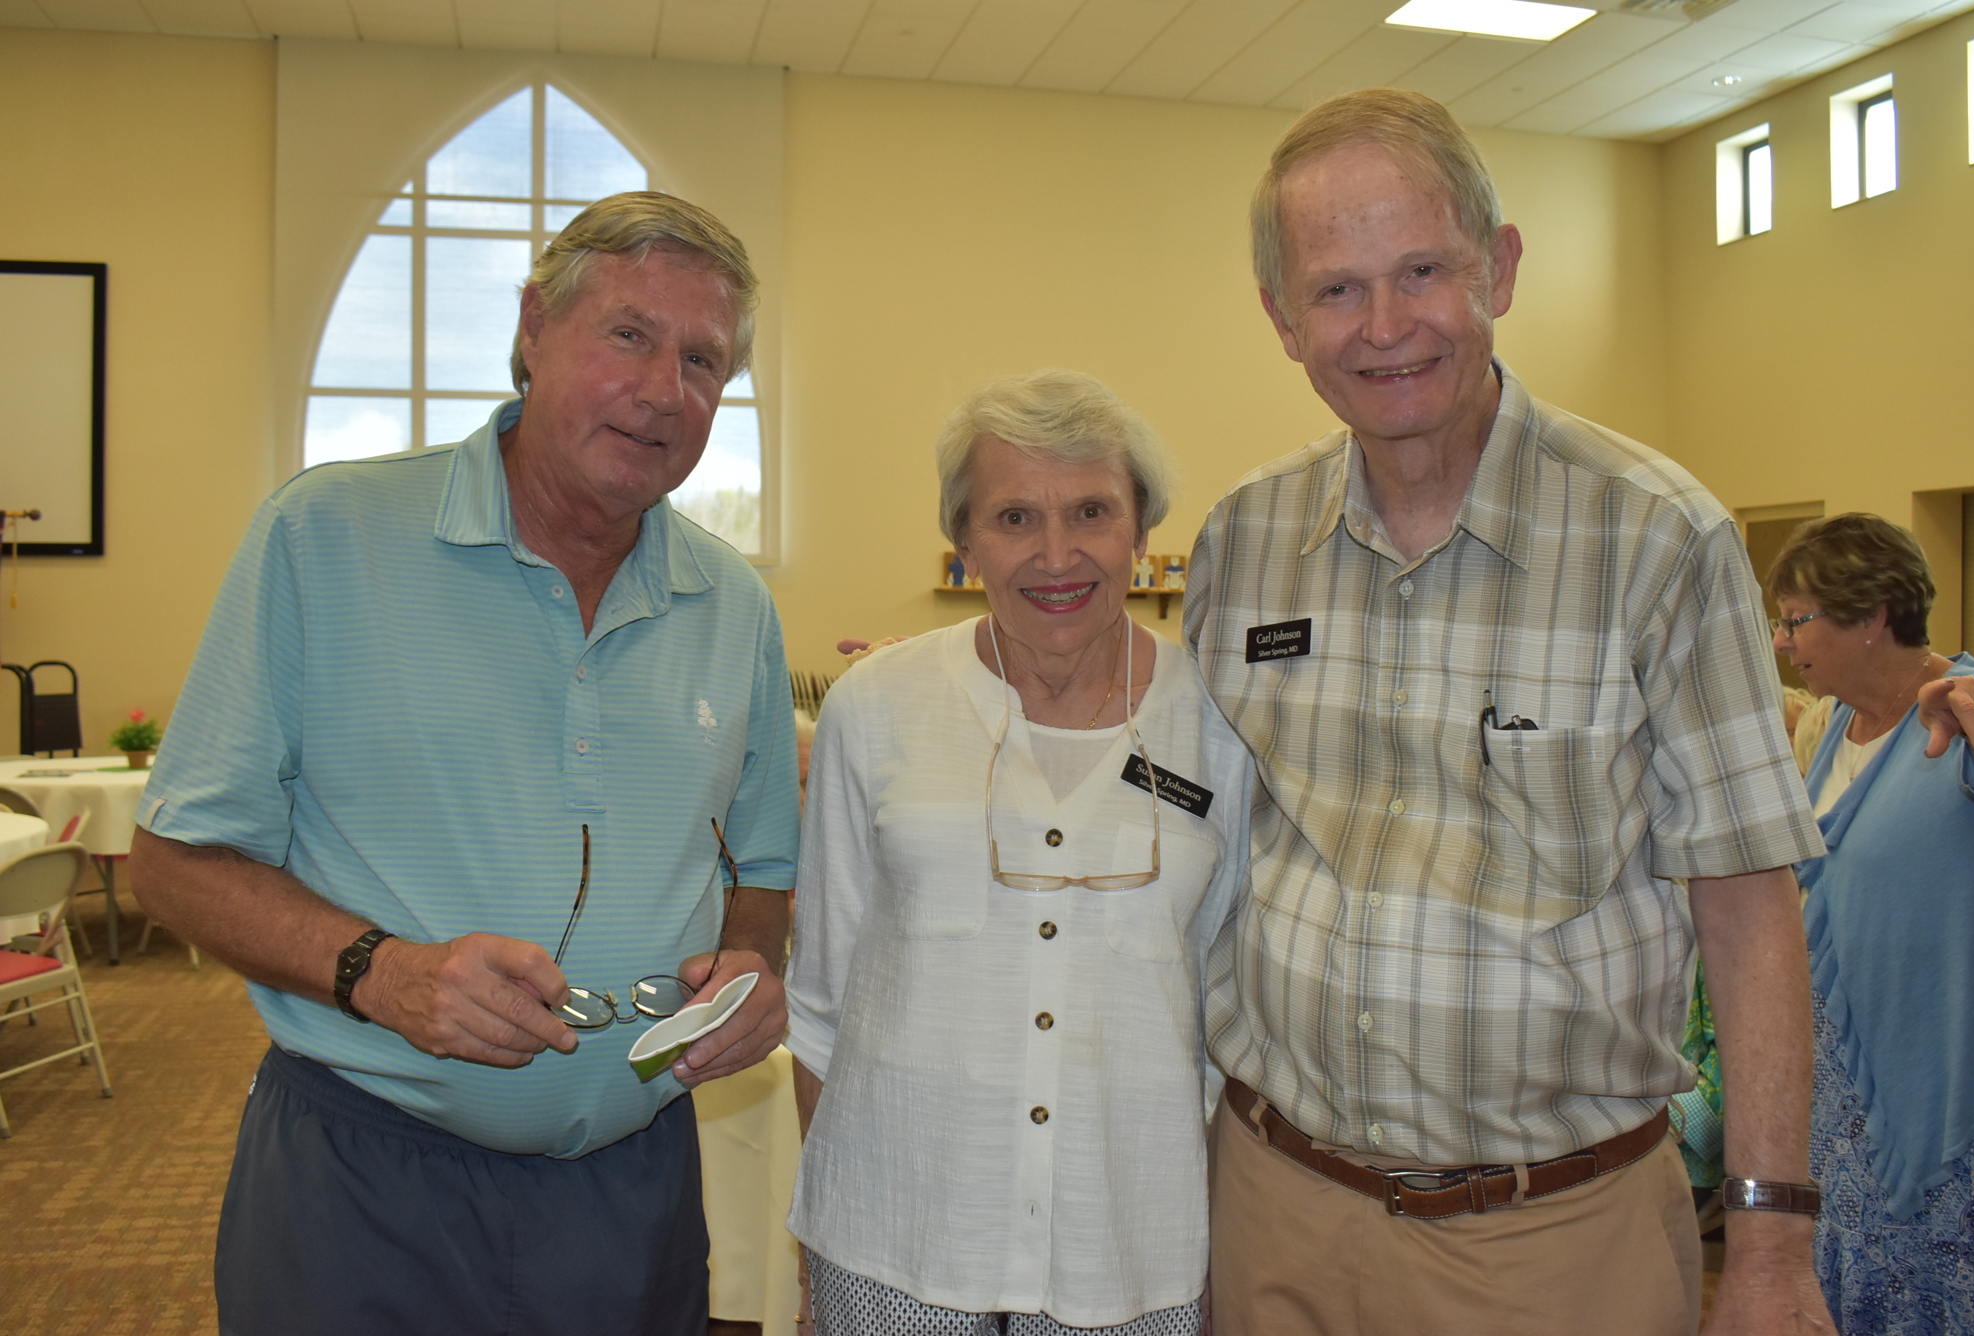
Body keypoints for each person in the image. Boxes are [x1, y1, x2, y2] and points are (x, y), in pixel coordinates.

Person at [1185, 88, 1834, 1335]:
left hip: (1550, 1242)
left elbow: (1749, 909)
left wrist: (1765, 1247)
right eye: (1334, 289)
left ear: (1500, 266)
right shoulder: (1243, 539)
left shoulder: (1656, 537)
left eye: (1421, 269)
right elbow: (1202, 862)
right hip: (1272, 1206)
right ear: (1279, 318)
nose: (1384, 327)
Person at [128, 192, 797, 1336]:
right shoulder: (324, 536)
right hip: (365, 1180)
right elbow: (175, 862)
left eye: (703, 359)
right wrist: (382, 974)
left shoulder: (731, 602)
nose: (661, 391)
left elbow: (765, 870)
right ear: (535, 327)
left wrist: (746, 967)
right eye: (628, 334)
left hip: (630, 1189)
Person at [786, 370, 1254, 1335]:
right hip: (898, 1237)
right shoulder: (876, 708)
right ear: (964, 540)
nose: (1056, 555)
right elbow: (821, 998)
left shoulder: (1218, 723)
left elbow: (1222, 999)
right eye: (1012, 517)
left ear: (1141, 530)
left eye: (1091, 511)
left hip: (1130, 1245)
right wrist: (825, 1236)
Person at [1767, 513, 1974, 1333]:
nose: (1785, 641)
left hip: (1938, 1100)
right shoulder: (1830, 727)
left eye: (1798, 619)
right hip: (1841, 1097)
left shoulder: (1970, 714)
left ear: (1870, 616)